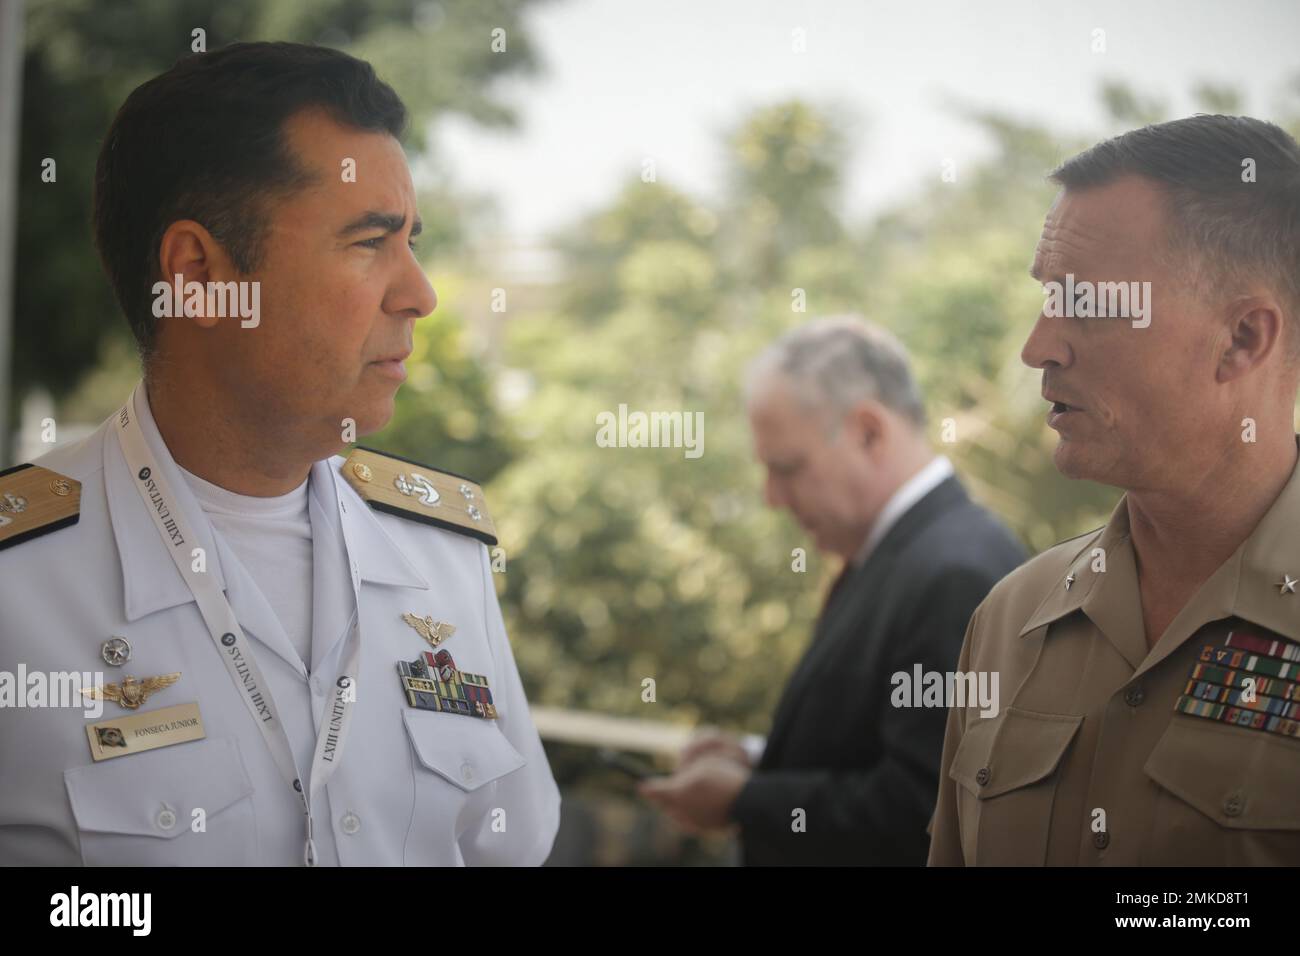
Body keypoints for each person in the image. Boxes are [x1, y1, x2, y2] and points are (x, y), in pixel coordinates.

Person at [0, 42, 559, 866]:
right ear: (197, 275)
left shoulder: (442, 553)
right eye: (371, 243)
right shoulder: (21, 584)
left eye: (412, 242)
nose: (421, 293)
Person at [929, 114, 1300, 866]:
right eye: (1046, 296)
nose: (1038, 347)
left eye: (1087, 304)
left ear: (1243, 340)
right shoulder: (1010, 620)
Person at [640, 316, 1026, 864]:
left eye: (788, 468)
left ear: (869, 432)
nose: (772, 497)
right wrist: (756, 759)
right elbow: (869, 749)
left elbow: (925, 807)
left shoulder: (952, 573)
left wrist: (746, 800)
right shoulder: (904, 555)